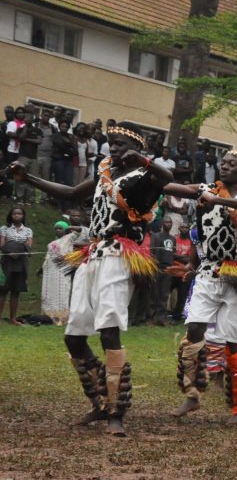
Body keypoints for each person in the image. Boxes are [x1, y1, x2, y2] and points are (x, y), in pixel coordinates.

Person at [6, 123, 173, 435]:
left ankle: (116, 413)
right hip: (92, 255)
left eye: (121, 144)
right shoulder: (105, 173)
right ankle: (100, 400)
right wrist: (28, 178)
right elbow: (71, 193)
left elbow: (167, 177)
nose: (114, 148)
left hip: (120, 257)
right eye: (111, 143)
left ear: (137, 148)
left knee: (109, 332)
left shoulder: (144, 176)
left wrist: (145, 161)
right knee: (74, 336)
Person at [164, 151, 237, 424]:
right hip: (209, 271)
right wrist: (147, 174)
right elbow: (173, 188)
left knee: (232, 340)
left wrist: (218, 200)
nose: (224, 166)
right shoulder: (205, 190)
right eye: (223, 163)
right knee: (194, 329)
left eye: (232, 164)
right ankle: (192, 393)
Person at [0, 206, 33, 324]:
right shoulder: (4, 228)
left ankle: (13, 319)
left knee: (16, 290)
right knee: (3, 290)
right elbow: (2, 245)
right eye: (14, 214)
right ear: (11, 215)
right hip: (7, 261)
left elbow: (29, 246)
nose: (17, 215)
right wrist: (10, 251)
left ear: (23, 216)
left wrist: (18, 248)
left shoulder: (28, 230)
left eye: (19, 214)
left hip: (21, 262)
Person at [41, 220, 74, 324]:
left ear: (66, 229)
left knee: (63, 291)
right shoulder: (53, 242)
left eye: (61, 228)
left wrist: (71, 228)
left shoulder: (70, 239)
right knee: (50, 292)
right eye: (56, 228)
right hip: (50, 270)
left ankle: (62, 317)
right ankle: (49, 316)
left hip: (62, 269)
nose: (58, 230)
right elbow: (48, 256)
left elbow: (80, 233)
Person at [149, 217, 176, 322]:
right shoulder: (156, 236)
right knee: (154, 293)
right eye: (167, 222)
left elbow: (173, 253)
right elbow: (152, 252)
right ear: (162, 224)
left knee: (164, 294)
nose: (169, 224)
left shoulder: (173, 239)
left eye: (170, 222)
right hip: (157, 267)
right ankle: (151, 317)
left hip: (168, 268)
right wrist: (154, 266)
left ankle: (160, 318)